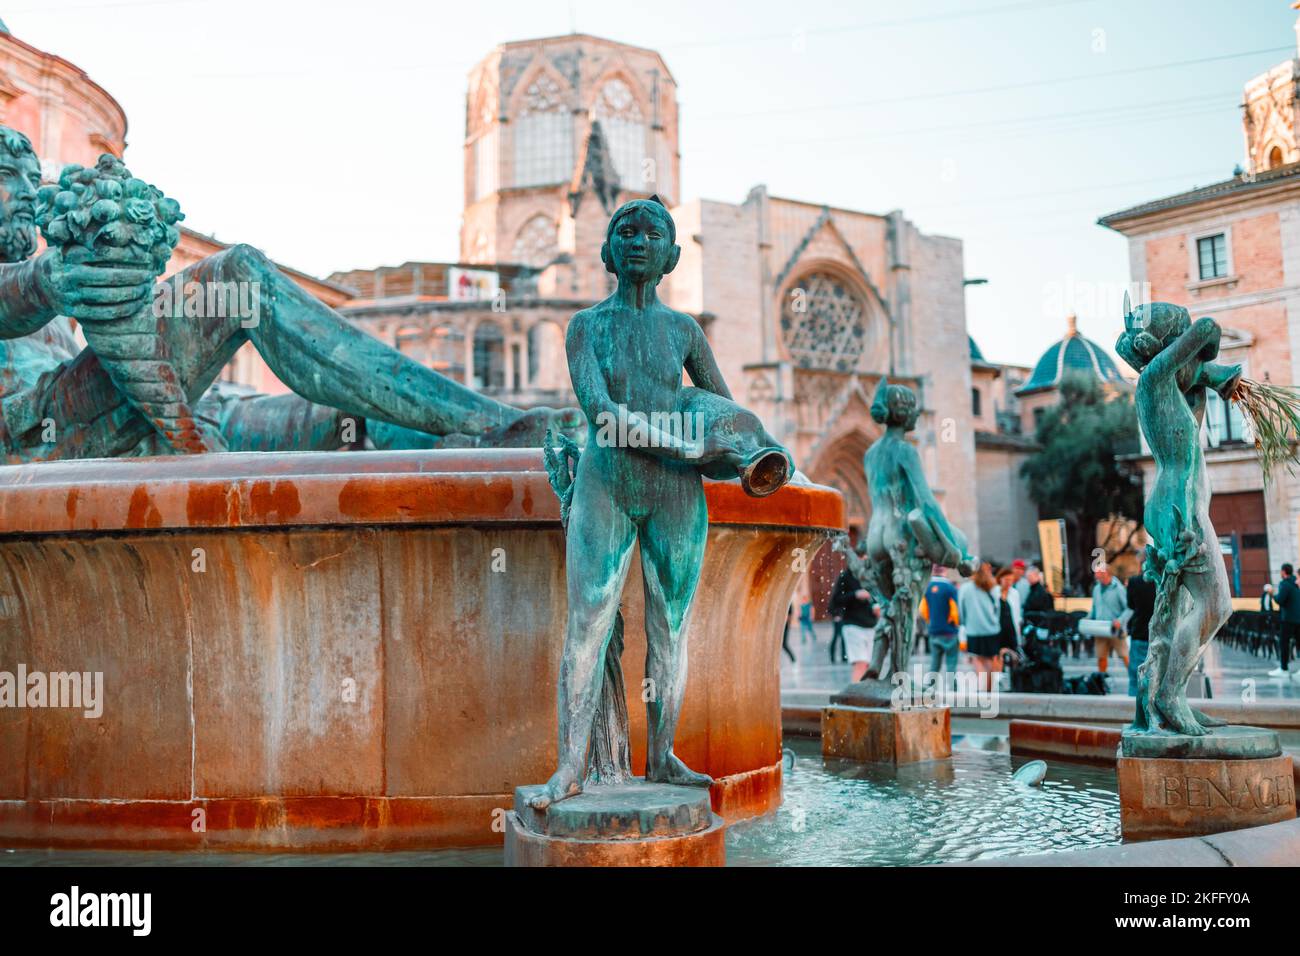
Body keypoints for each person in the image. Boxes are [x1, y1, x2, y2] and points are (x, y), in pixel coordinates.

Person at [830, 566, 880, 681]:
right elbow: (835, 601)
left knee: (869, 665)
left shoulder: (871, 575)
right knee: (860, 664)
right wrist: (855, 595)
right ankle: (857, 695)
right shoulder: (846, 576)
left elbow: (876, 598)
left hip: (870, 626)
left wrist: (877, 608)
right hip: (853, 625)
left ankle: (864, 694)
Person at [958, 563, 1003, 684]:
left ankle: (983, 687)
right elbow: (998, 609)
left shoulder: (965, 588)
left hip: (973, 629)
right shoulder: (994, 588)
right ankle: (990, 687)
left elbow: (961, 610)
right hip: (992, 629)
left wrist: (964, 623)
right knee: (990, 659)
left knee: (977, 659)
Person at [1087, 564, 1129, 674]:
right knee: (1101, 657)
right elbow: (1095, 608)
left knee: (1125, 656)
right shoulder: (1096, 589)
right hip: (1100, 629)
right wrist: (1087, 619)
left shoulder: (1118, 588)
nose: (1095, 574)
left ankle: (1136, 681)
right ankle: (1102, 682)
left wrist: (1120, 620)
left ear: (1105, 573)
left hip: (1116, 630)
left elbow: (1128, 608)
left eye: (1097, 572)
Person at [920, 565, 961, 676]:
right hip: (949, 632)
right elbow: (955, 612)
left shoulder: (926, 588)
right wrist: (956, 625)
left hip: (934, 631)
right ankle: (953, 690)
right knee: (951, 665)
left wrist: (931, 622)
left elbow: (923, 610)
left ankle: (929, 689)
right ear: (945, 570)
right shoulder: (950, 588)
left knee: (934, 664)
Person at [1126, 572, 1157, 697]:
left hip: (1139, 632)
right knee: (1156, 677)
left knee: (1135, 676)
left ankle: (1134, 708)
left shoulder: (1134, 581)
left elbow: (1130, 605)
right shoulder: (1163, 581)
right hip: (1159, 634)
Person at [1271, 563, 1300, 679]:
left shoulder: (1285, 584)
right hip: (1298, 619)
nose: (1296, 582)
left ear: (1283, 572)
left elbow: (1280, 600)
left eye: (1298, 579)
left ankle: (1284, 668)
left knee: (1284, 643)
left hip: (1288, 619)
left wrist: (1273, 595)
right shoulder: (1294, 584)